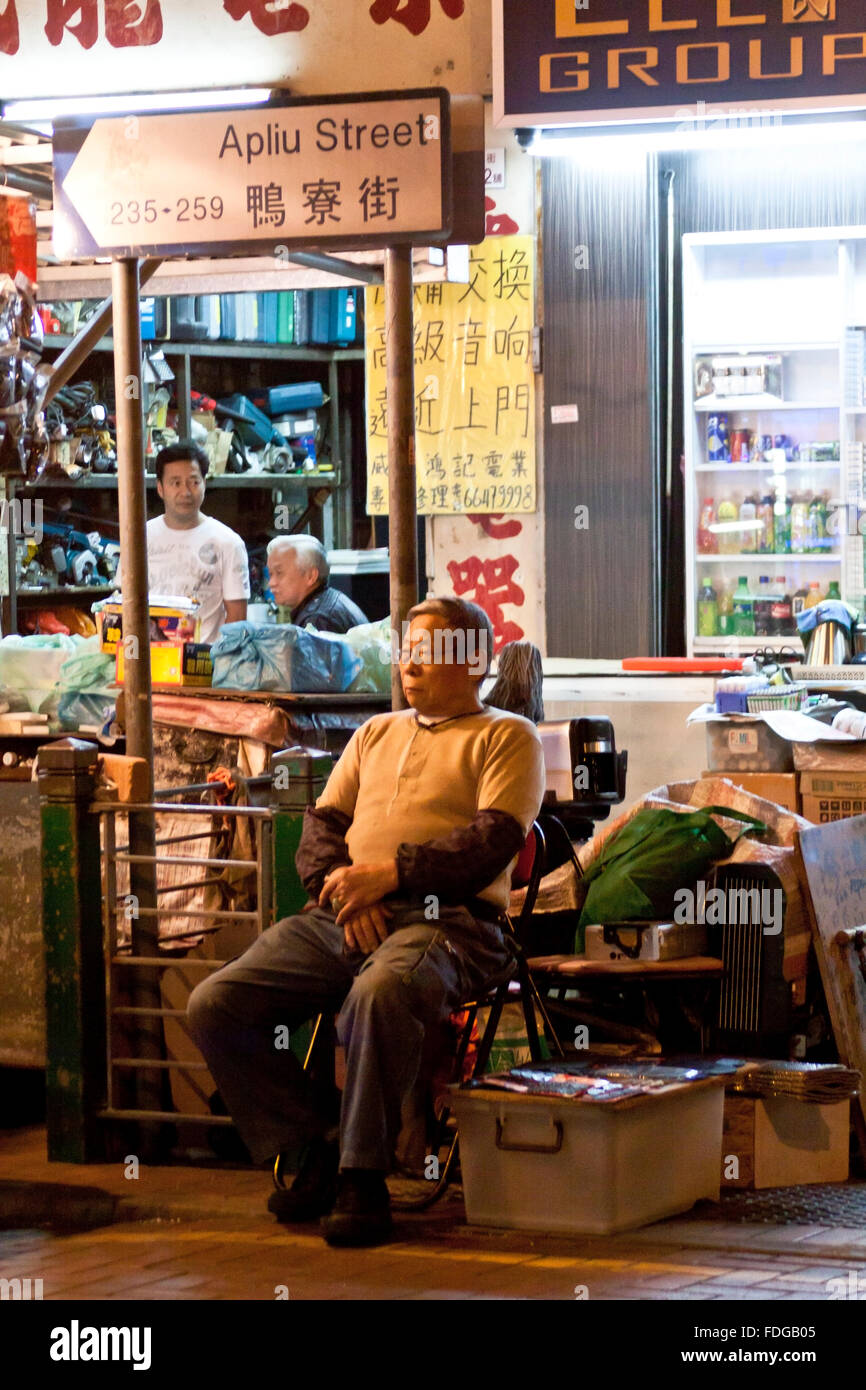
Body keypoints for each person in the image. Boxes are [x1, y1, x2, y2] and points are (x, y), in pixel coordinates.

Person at [187, 596, 545, 1248]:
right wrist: (348, 889)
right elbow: (321, 828)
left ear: (477, 664)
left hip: (454, 924)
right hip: (344, 914)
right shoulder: (375, 733)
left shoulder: (507, 737)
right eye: (408, 649)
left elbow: (491, 844)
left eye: (431, 652)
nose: (411, 664)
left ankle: (361, 1177)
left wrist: (391, 876)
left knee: (377, 993)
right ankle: (314, 1141)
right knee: (216, 1002)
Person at [124, 442, 250, 645]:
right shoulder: (138, 538)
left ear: (204, 485)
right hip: (150, 663)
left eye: (194, 482)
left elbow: (237, 618)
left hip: (204, 666)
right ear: (160, 488)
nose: (186, 492)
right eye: (175, 483)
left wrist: (220, 665)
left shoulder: (228, 543)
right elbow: (125, 606)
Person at [266, 535, 368, 633]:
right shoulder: (325, 603)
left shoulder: (318, 621)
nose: (271, 583)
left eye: (279, 573)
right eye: (270, 574)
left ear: (311, 576)